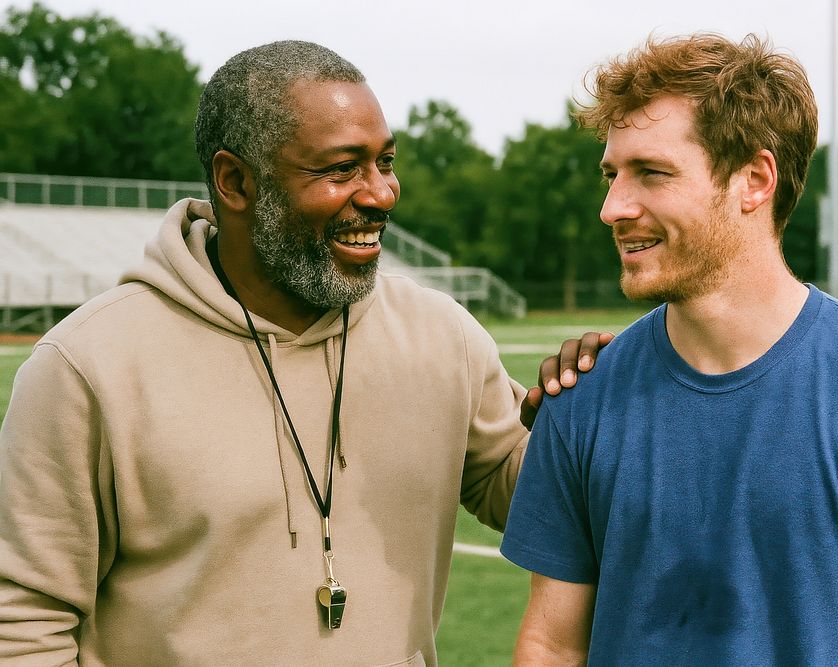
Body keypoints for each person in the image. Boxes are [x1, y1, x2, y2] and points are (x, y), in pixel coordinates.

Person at [0, 40, 604, 665]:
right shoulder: (88, 365)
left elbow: (532, 499)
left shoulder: (442, 336)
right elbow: (22, 622)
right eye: (342, 169)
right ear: (235, 181)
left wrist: (593, 418)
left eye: (385, 162)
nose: (381, 194)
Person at [500, 33, 838, 665]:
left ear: (754, 180)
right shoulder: (579, 398)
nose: (612, 207)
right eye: (611, 175)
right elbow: (551, 644)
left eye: (651, 173)